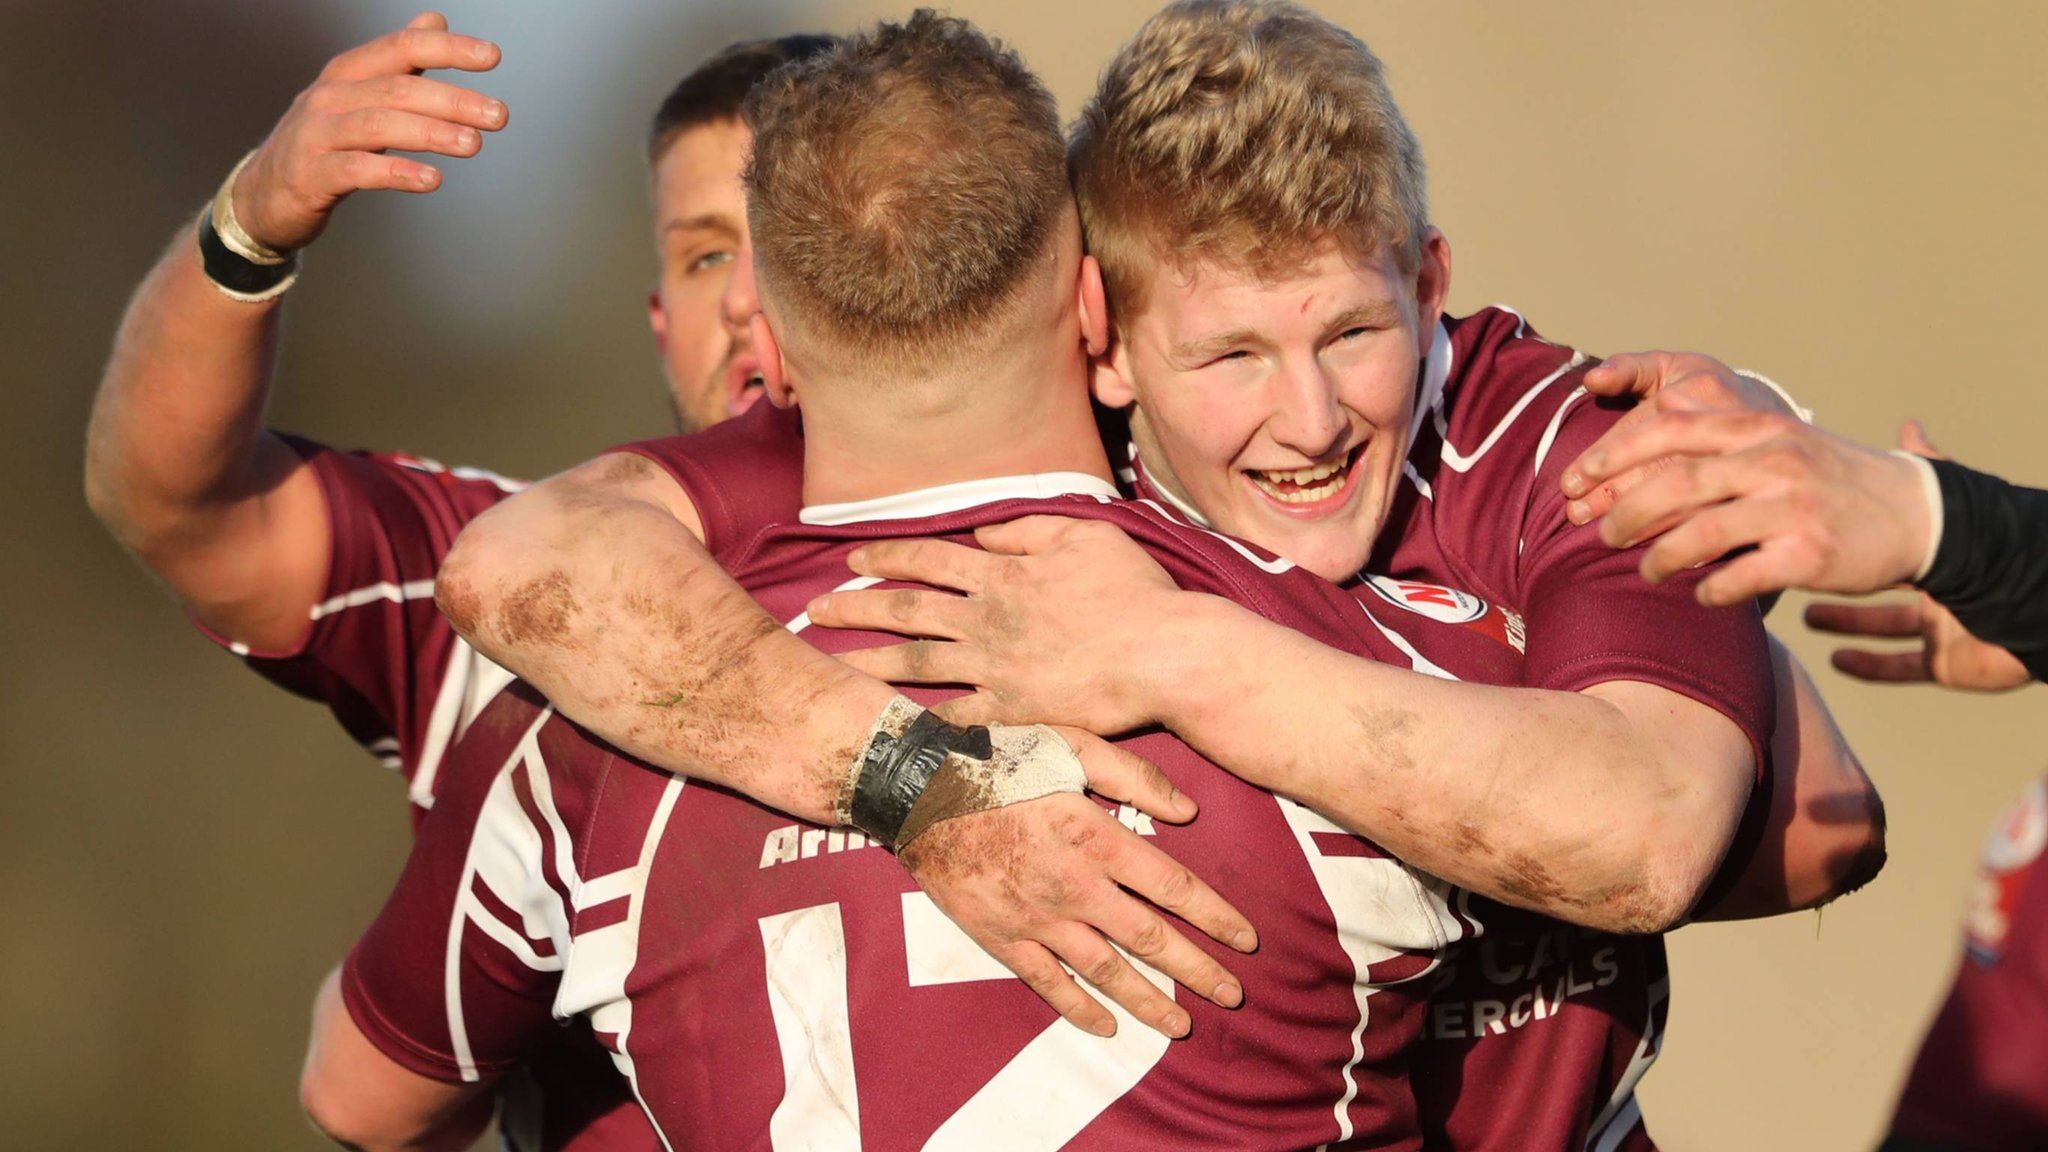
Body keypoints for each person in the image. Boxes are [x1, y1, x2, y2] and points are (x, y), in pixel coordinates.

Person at [431, 3, 1880, 1148]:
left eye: (1355, 336)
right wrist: (921, 788)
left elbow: (1765, 828)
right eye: (1232, 356)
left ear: (1430, 283)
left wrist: (1177, 653)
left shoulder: (1572, 441)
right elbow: (525, 563)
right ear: (1103, 338)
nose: (1308, 423)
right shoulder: (1017, 435)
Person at [81, 14, 837, 1150]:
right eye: (704, 251)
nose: (742, 297)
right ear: (657, 321)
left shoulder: (1079, 567)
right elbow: (178, 502)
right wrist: (247, 228)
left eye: (796, 240)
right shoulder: (502, 587)